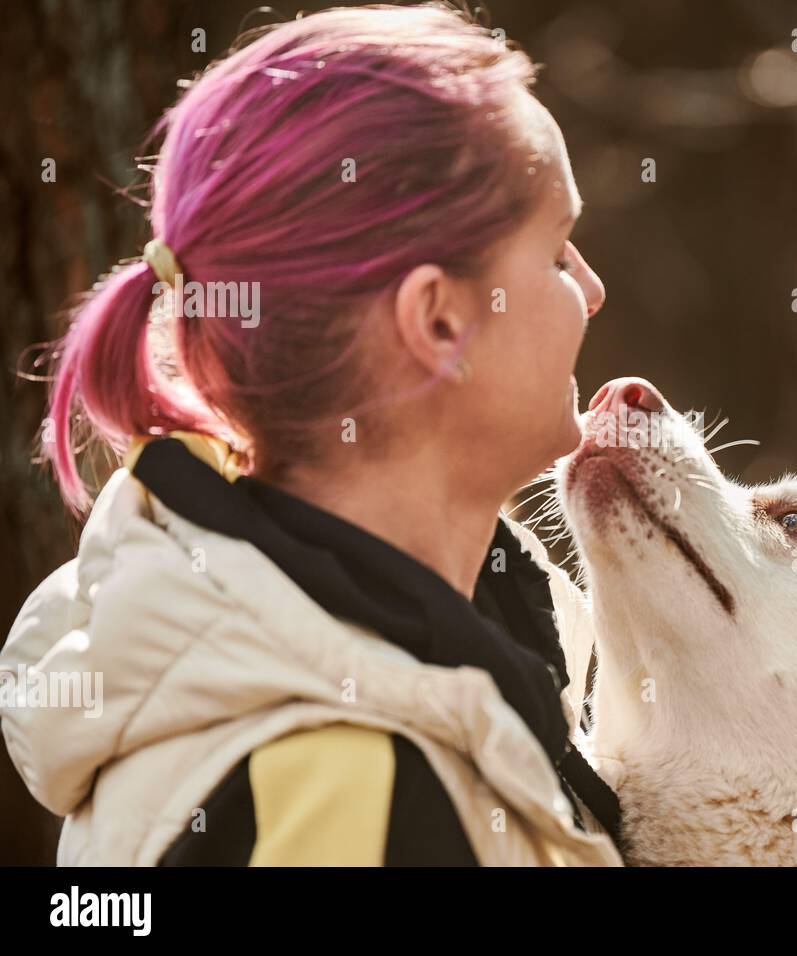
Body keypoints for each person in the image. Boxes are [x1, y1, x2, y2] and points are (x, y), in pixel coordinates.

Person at [0, 3, 622, 866]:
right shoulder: (357, 803)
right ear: (437, 321)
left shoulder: (450, 655)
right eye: (557, 253)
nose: (591, 291)